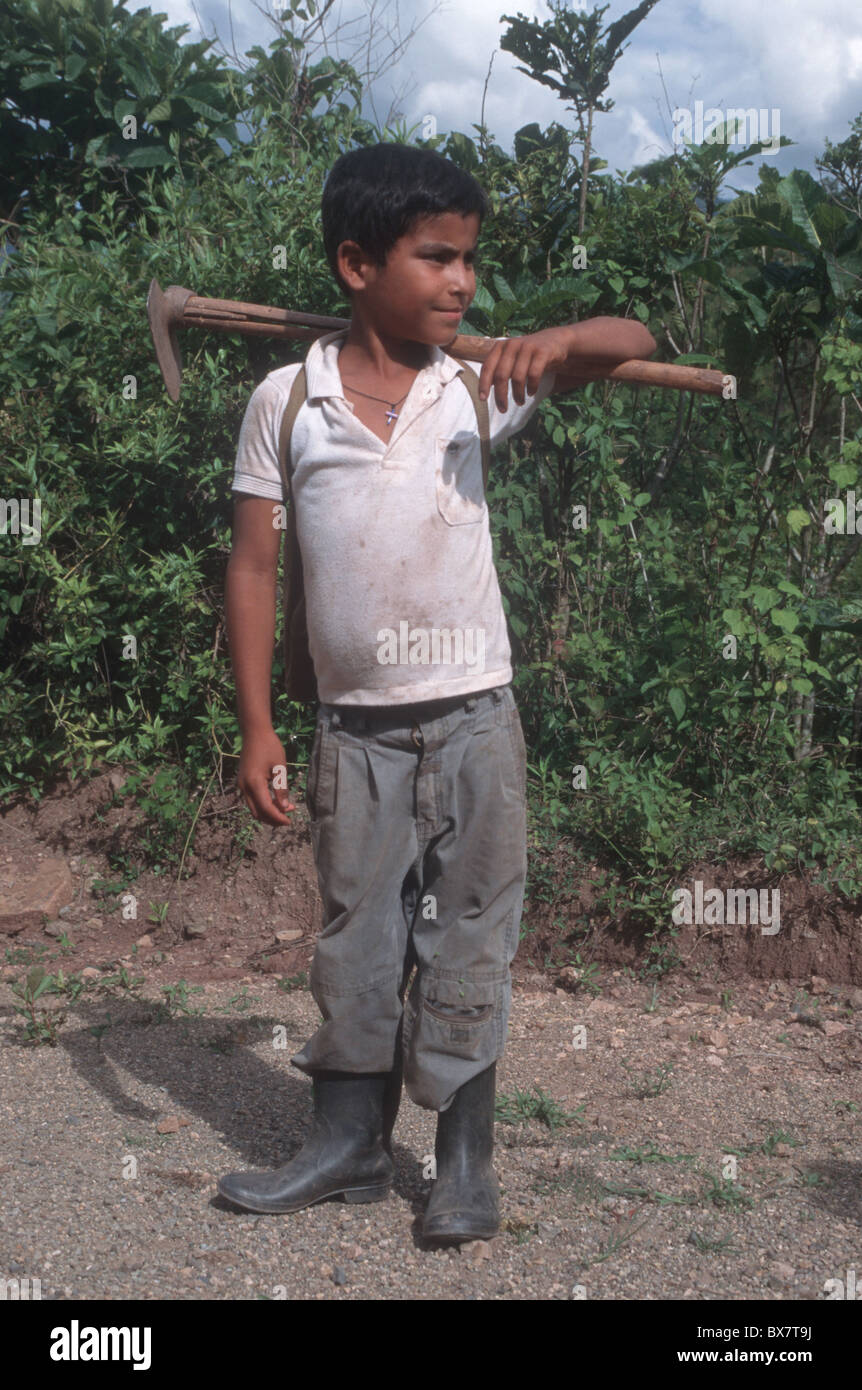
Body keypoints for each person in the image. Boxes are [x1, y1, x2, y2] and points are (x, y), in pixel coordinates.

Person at [217, 142, 656, 1241]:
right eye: (436, 257)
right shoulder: (287, 402)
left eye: (471, 260)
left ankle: (463, 1162)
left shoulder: (479, 385)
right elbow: (256, 568)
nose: (462, 282)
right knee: (354, 940)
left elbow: (633, 342)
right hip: (352, 732)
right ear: (356, 262)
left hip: (473, 720)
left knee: (467, 934)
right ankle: (347, 1144)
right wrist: (258, 724)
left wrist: (557, 340)